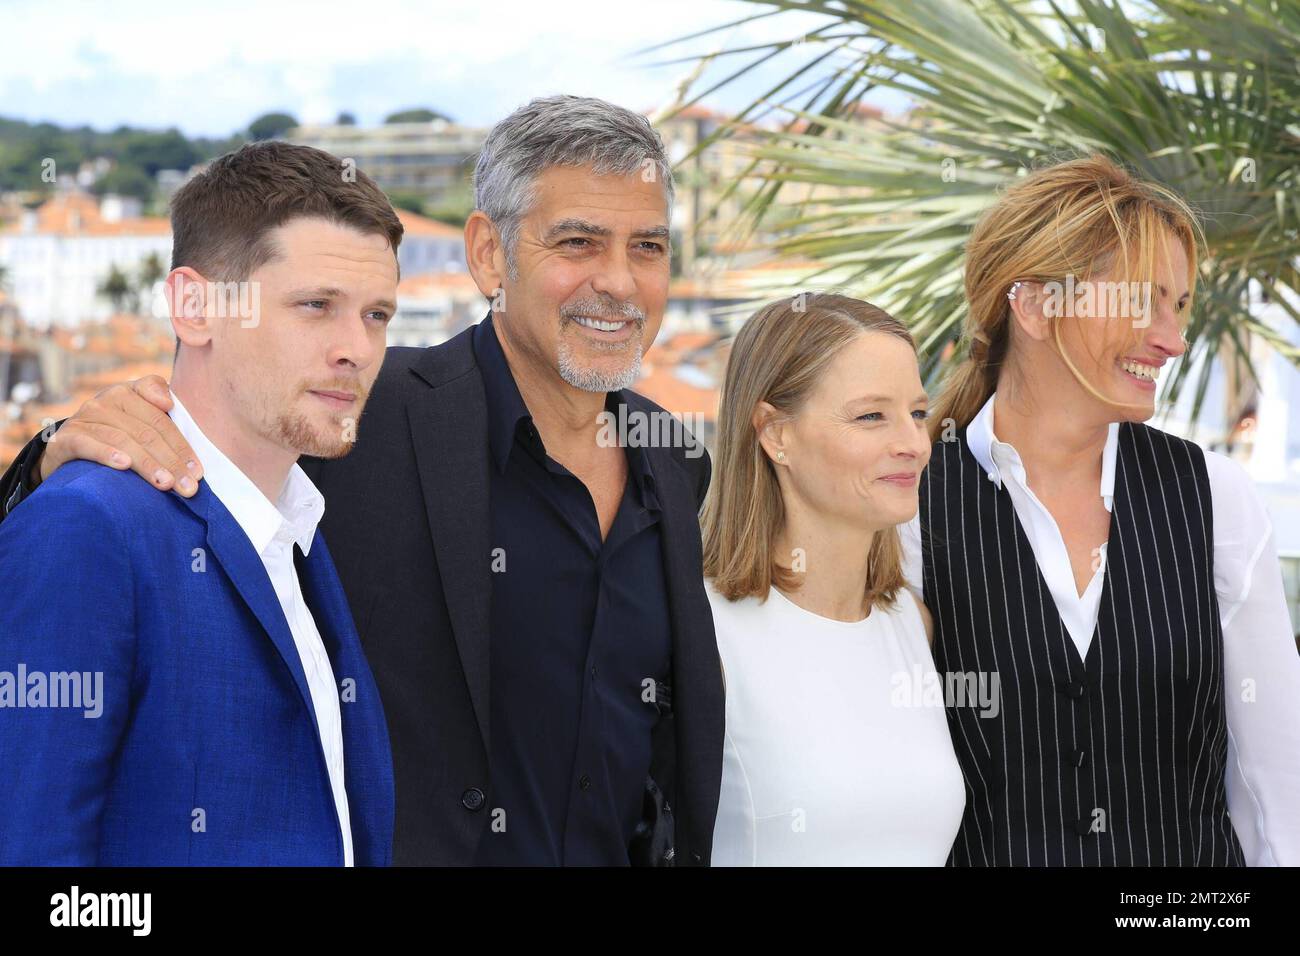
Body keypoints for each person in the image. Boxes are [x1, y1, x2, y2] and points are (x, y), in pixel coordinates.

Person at [0, 96, 724, 866]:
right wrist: (49, 455)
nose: (618, 280)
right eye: (577, 241)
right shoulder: (354, 428)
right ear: (487, 254)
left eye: (648, 246)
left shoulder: (674, 463)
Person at [0, 141, 398, 864]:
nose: (358, 349)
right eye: (316, 306)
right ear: (193, 307)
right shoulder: (86, 528)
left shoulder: (298, 531)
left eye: (376, 315)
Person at [903, 154, 1300, 866]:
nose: (1173, 340)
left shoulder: (1215, 498)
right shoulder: (910, 506)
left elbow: (1278, 788)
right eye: (1142, 301)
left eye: (1179, 307)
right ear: (1034, 304)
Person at [702, 293, 965, 865]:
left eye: (918, 414)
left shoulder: (911, 627)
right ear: (775, 433)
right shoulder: (705, 632)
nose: (914, 443)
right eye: (871, 415)